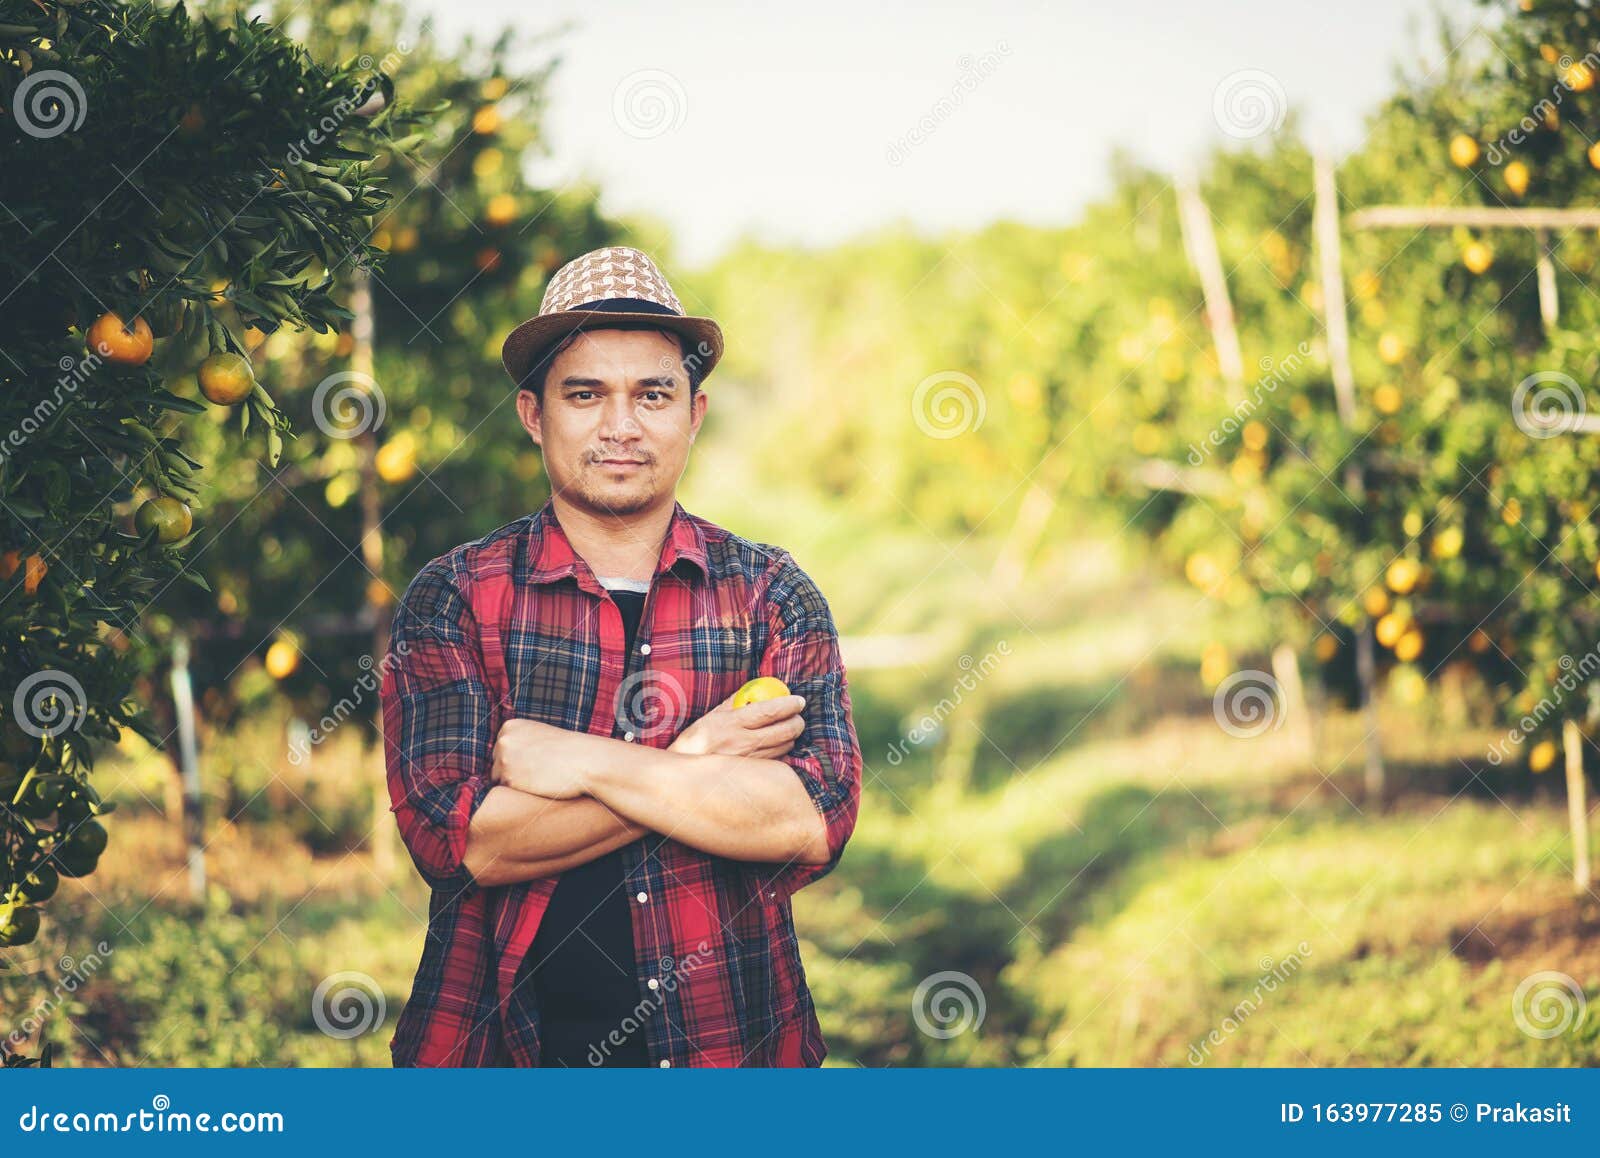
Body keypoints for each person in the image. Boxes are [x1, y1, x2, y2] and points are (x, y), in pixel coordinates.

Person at [379, 245, 862, 1068]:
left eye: (652, 394)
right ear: (535, 416)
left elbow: (811, 820)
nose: (621, 426)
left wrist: (575, 761)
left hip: (730, 1056)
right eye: (585, 394)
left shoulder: (770, 593)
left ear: (694, 413)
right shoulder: (455, 597)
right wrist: (696, 758)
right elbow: (466, 845)